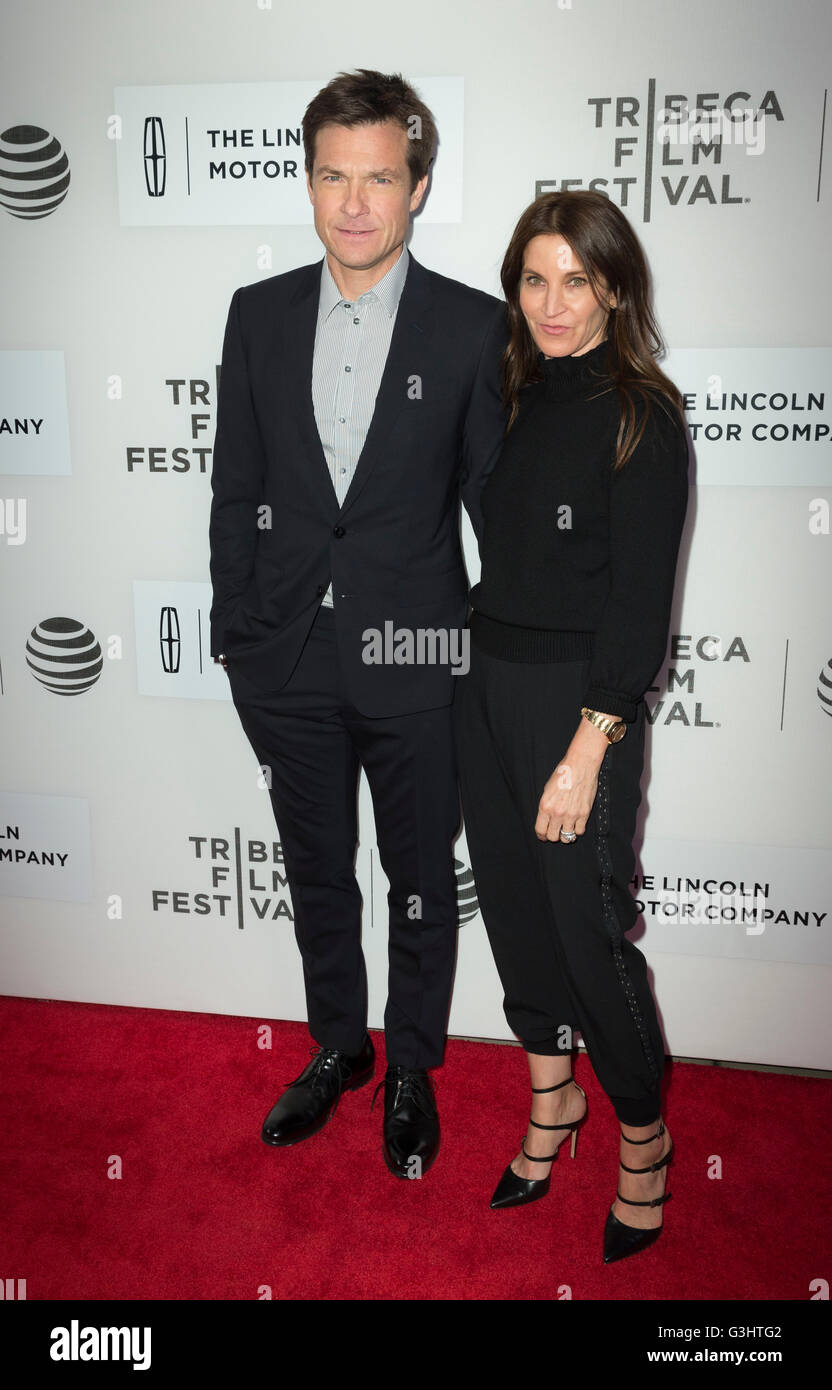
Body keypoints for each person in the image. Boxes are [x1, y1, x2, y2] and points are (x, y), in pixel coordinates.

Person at [208, 69, 507, 1179]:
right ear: (307, 179)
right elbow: (234, 489)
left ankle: (414, 1068)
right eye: (332, 174)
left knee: (420, 873)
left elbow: (497, 518)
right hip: (285, 652)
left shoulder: (474, 331)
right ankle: (338, 1046)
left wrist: (473, 651)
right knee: (318, 869)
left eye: (379, 177)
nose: (353, 202)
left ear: (418, 186)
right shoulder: (258, 314)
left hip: (416, 654)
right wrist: (238, 631)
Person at [452, 190, 689, 1262]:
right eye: (534, 280)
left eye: (576, 281)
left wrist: (587, 749)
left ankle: (643, 1136)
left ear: (613, 289)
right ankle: (554, 1105)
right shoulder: (509, 396)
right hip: (482, 687)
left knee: (588, 936)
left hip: (576, 710)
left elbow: (639, 608)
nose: (553, 303)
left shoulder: (644, 414)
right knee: (513, 917)